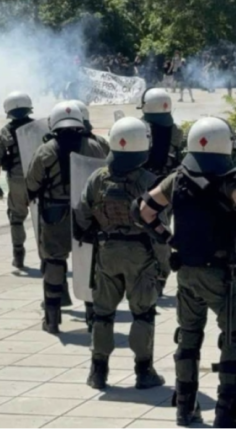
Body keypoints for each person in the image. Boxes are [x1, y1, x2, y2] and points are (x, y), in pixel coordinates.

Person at [139, 117, 236, 428]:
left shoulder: (176, 178)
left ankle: (185, 408)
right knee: (233, 338)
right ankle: (227, 414)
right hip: (222, 276)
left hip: (187, 272)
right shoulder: (230, 180)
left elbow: (143, 210)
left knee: (188, 338)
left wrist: (168, 239)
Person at [75, 117, 166, 391]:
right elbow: (161, 230)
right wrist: (164, 267)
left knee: (103, 314)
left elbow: (82, 216)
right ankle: (144, 371)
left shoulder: (97, 178)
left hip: (106, 253)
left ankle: (98, 371)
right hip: (141, 255)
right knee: (143, 314)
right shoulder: (151, 183)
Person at [26, 102, 107, 334]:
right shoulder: (94, 146)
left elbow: (32, 183)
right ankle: (93, 318)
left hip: (55, 213)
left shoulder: (46, 150)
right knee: (90, 263)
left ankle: (52, 320)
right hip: (87, 213)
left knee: (54, 262)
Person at [139, 88, 185, 297]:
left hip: (144, 186)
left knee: (143, 229)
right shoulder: (176, 131)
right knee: (162, 228)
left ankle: (151, 273)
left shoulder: (140, 129)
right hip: (167, 188)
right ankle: (161, 275)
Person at [0, 92, 35, 269]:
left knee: (16, 218)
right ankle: (49, 256)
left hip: (17, 181)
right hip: (40, 178)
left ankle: (18, 253)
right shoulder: (41, 128)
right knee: (45, 218)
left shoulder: (3, 133)